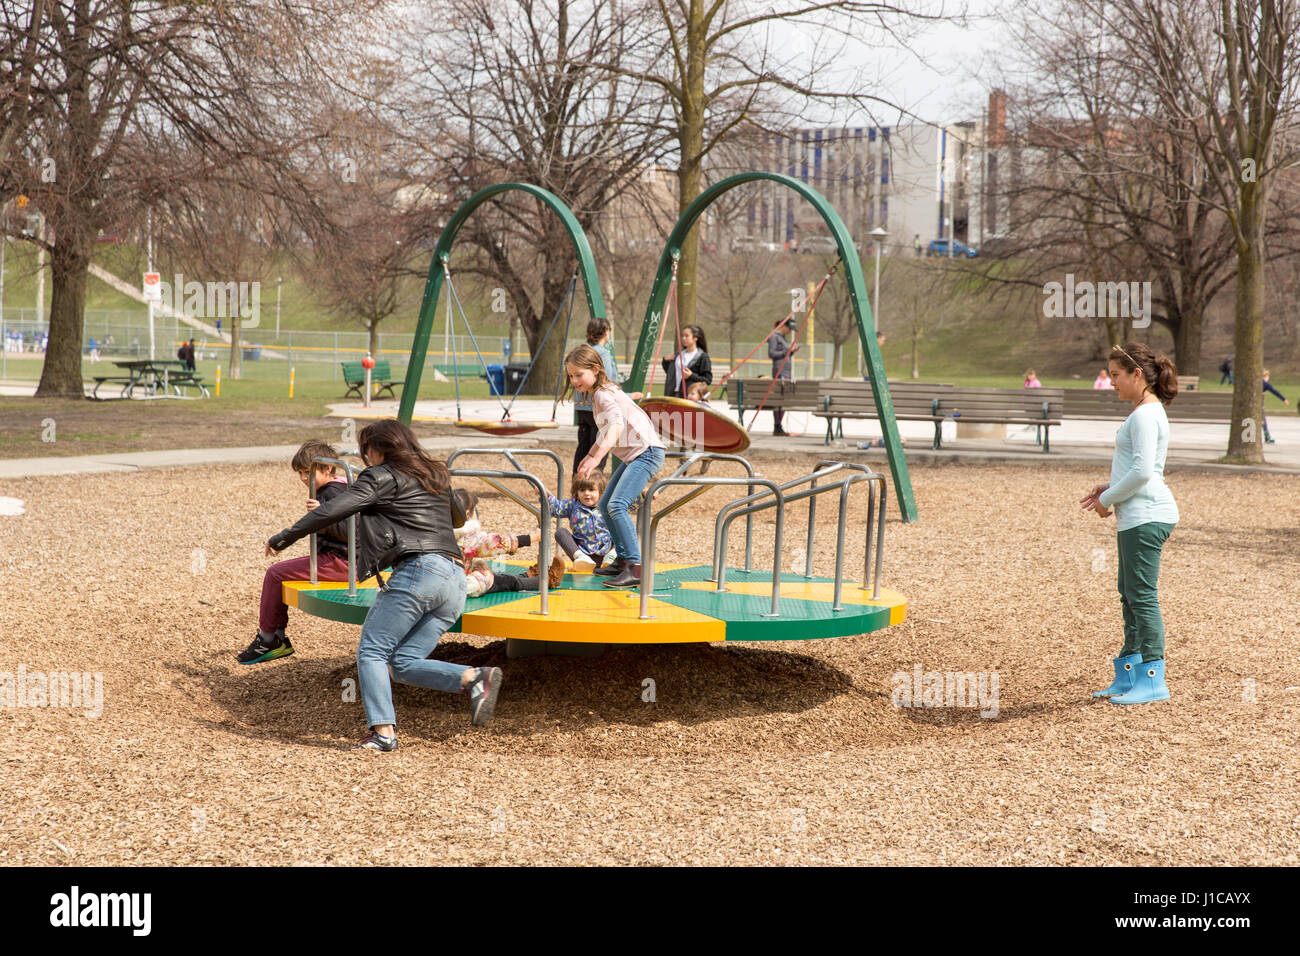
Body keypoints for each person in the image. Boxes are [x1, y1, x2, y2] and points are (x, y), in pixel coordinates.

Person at [266, 419, 503, 751]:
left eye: (366, 451)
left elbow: (335, 509)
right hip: (454, 580)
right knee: (401, 663)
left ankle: (383, 734)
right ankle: (473, 678)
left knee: (372, 652)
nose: (365, 459)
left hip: (420, 571)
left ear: (379, 449)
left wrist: (283, 537)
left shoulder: (381, 476)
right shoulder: (434, 474)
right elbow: (457, 520)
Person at [1081, 342, 1179, 706]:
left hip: (1147, 515)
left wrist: (1107, 500)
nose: (1111, 383)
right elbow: (1141, 470)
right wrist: (1110, 487)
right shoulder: (1144, 411)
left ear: (1137, 374)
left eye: (1116, 375)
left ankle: (1153, 679)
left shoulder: (1145, 415)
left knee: (1141, 596)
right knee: (1130, 594)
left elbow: (1141, 472)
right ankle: (1129, 675)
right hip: (1137, 514)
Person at [240, 441, 355, 665]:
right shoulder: (342, 488)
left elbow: (353, 532)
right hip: (343, 559)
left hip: (344, 562)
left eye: (307, 473)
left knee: (275, 574)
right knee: (279, 573)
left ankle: (269, 639)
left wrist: (320, 518)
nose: (303, 479)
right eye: (300, 473)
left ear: (328, 469)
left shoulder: (333, 493)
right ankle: (276, 636)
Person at [568, 344, 666, 588]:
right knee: (605, 504)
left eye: (578, 375)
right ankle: (622, 560)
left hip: (647, 453)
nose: (574, 380)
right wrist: (590, 455)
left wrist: (597, 457)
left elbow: (615, 427)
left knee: (617, 505)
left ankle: (635, 566)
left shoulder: (602, 394)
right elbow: (605, 433)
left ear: (595, 369)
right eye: (571, 376)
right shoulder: (600, 393)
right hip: (637, 455)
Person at [573, 317, 620, 474]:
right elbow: (605, 380)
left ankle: (577, 484)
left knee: (583, 447)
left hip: (582, 406)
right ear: (606, 331)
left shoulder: (583, 352)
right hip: (597, 405)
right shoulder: (602, 354)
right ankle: (592, 483)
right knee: (598, 446)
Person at [767, 316, 800, 436]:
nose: (791, 331)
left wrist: (791, 352)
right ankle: (777, 425)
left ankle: (779, 425)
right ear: (784, 327)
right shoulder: (775, 337)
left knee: (783, 400)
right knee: (779, 400)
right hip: (780, 372)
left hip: (786, 372)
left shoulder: (783, 338)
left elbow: (783, 354)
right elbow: (772, 353)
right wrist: (787, 351)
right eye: (789, 329)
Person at [660, 325, 712, 399]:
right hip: (671, 394)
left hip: (688, 397)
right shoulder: (677, 355)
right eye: (682, 336)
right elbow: (671, 374)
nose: (683, 338)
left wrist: (691, 376)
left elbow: (707, 380)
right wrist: (665, 362)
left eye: (687, 336)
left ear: (695, 338)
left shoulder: (703, 357)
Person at [1262, 369, 1289, 444]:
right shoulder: (1265, 384)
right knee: (1262, 418)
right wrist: (1284, 399)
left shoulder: (1253, 382)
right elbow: (1275, 392)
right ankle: (1267, 436)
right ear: (1265, 376)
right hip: (1258, 408)